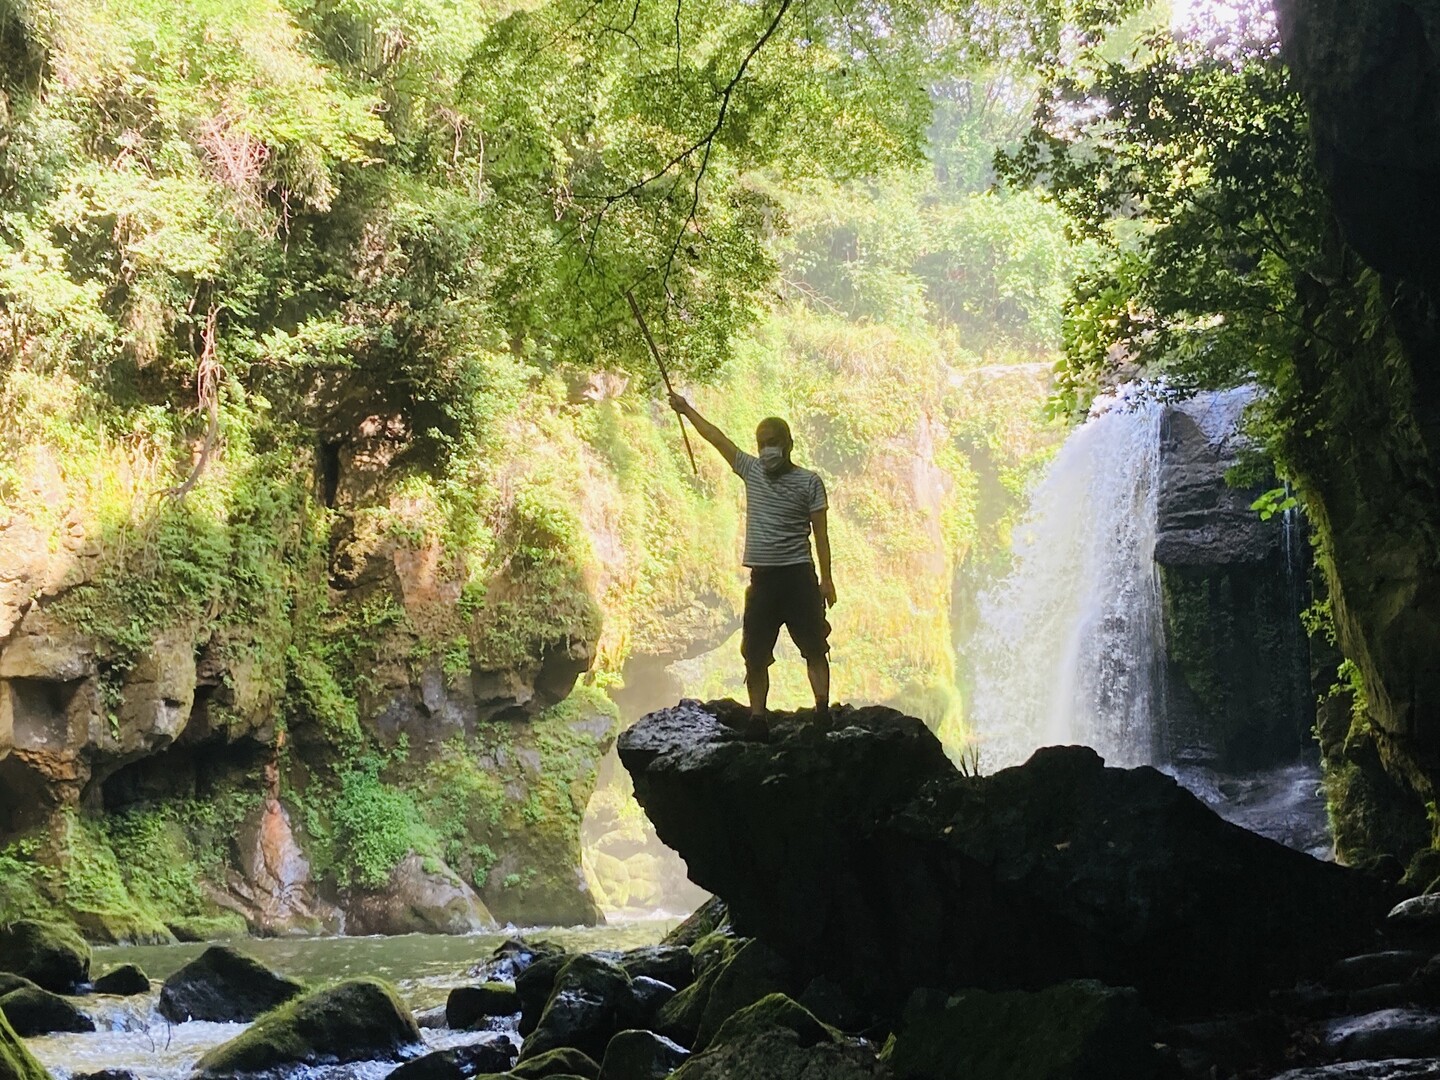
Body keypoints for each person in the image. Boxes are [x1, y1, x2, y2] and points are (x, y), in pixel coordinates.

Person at [668, 391, 836, 734]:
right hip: (763, 580)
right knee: (755, 654)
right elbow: (717, 437)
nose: (766, 450)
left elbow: (821, 534)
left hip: (800, 578)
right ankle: (758, 716)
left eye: (772, 442)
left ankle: (822, 708)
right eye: (761, 444)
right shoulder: (751, 470)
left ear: (788, 443)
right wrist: (686, 410)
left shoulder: (809, 482)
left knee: (815, 645)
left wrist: (827, 580)